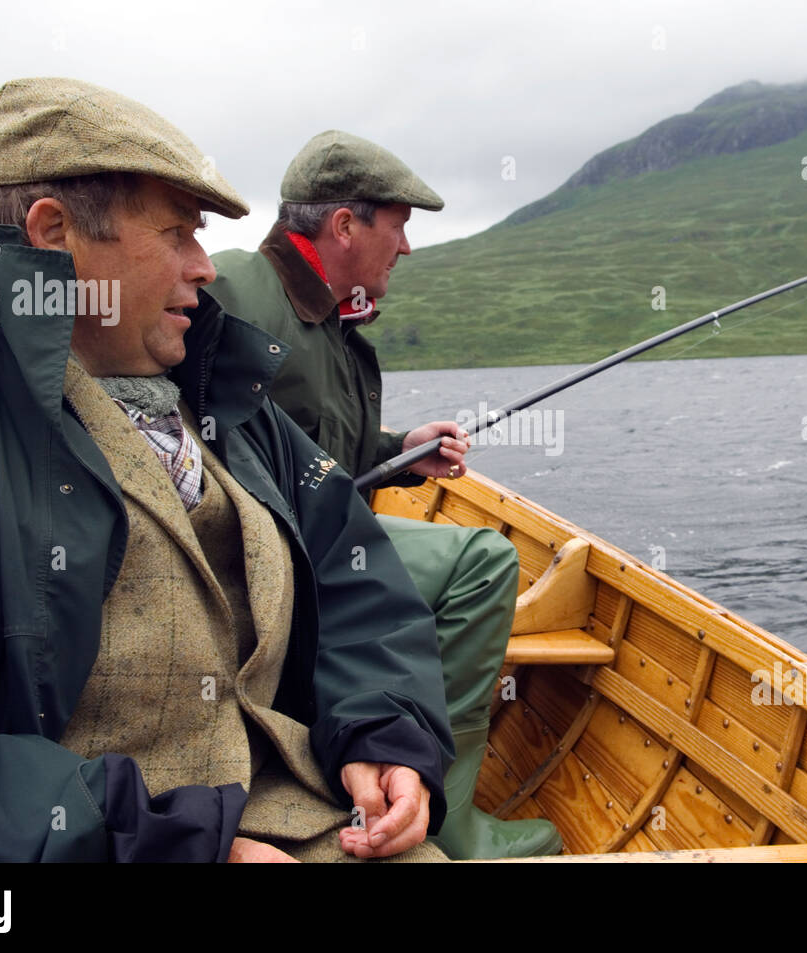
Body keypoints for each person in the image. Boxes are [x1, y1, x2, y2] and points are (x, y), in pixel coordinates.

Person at [0, 78, 454, 862]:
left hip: (307, 816)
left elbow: (353, 572)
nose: (205, 267)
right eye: (178, 233)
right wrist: (181, 847)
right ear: (52, 235)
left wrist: (384, 729)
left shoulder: (224, 397)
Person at [206, 131, 561, 858]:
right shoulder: (237, 292)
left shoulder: (333, 319)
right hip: (278, 550)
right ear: (345, 225)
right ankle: (450, 813)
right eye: (398, 224)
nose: (406, 247)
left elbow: (309, 448)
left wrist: (398, 453)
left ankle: (396, 746)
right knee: (484, 563)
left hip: (321, 533)